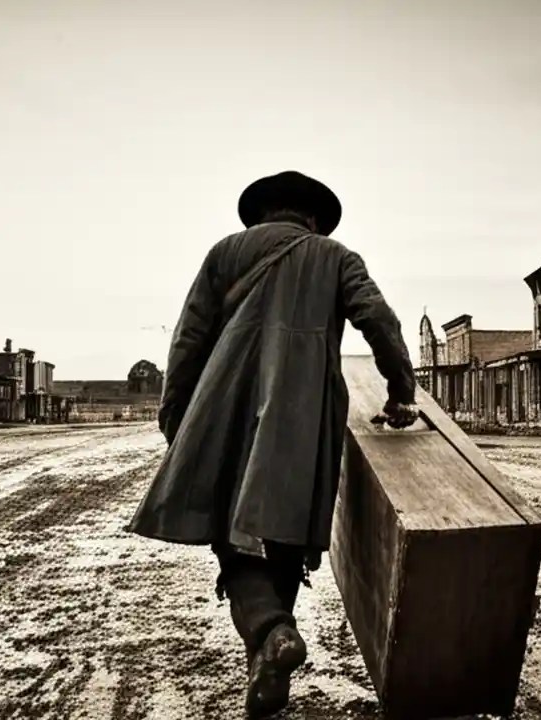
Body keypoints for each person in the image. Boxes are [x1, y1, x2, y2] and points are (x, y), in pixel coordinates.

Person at [126, 170, 419, 718]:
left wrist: (178, 419)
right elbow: (380, 320)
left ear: (262, 214)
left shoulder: (224, 254)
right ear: (312, 218)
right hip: (303, 421)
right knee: (280, 533)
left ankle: (271, 632)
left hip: (224, 409)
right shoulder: (335, 256)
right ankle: (267, 649)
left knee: (232, 537)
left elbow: (187, 340)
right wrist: (402, 392)